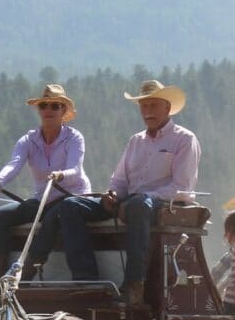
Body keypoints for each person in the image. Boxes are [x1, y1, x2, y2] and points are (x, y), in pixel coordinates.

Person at [48, 79, 201, 305]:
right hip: (129, 202)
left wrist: (143, 198)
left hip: (161, 205)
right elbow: (120, 180)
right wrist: (113, 195)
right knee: (70, 206)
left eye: (153, 105)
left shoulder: (184, 139)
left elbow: (181, 187)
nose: (147, 111)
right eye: (144, 106)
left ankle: (134, 283)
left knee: (140, 205)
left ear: (167, 107)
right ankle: (86, 279)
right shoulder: (135, 141)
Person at [0, 83, 91, 275]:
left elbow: (76, 169)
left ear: (63, 110)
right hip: (43, 199)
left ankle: (27, 271)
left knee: (54, 216)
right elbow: (14, 163)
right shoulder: (28, 140)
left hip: (72, 198)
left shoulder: (74, 138)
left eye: (55, 106)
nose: (48, 110)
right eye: (43, 106)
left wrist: (61, 175)